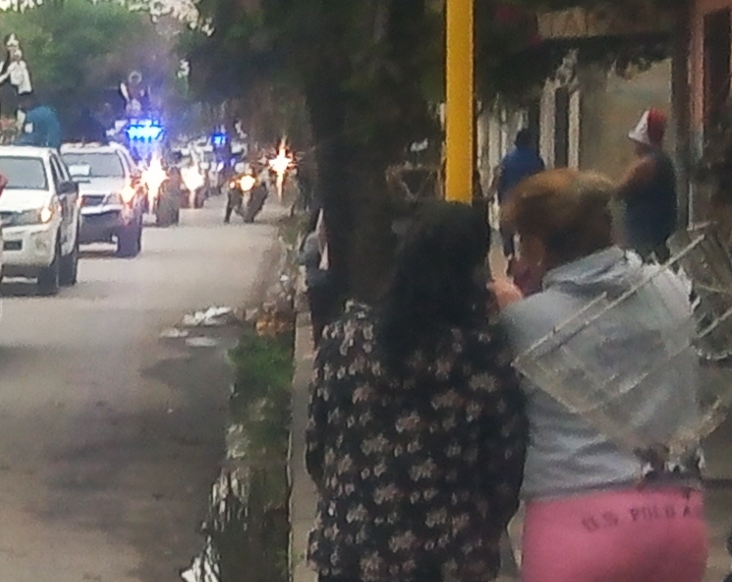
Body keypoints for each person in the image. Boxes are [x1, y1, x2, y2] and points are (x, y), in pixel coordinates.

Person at [499, 169, 707, 582]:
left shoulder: (522, 323)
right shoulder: (671, 288)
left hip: (578, 522)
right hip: (679, 516)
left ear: (535, 245)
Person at [307, 201, 528, 582]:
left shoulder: (345, 338)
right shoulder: (481, 352)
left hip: (352, 553)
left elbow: (318, 447)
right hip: (450, 558)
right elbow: (504, 468)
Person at [616, 108, 679, 260]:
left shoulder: (648, 164)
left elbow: (619, 189)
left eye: (637, 142)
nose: (634, 146)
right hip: (656, 237)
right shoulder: (663, 161)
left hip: (647, 241)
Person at [491, 128, 546, 258]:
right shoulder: (537, 160)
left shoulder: (507, 159)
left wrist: (499, 198)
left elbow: (500, 179)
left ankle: (510, 255)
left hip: (510, 199)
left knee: (506, 230)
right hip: (531, 200)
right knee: (529, 231)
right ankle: (527, 256)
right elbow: (543, 181)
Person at [297, 214, 336, 345]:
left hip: (315, 284)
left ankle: (318, 343)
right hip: (329, 282)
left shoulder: (311, 239)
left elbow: (303, 259)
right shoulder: (334, 236)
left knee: (317, 318)